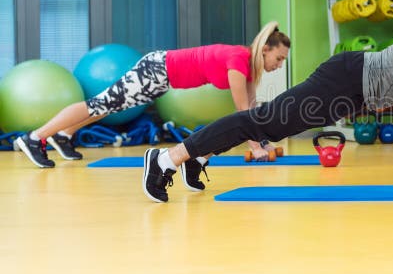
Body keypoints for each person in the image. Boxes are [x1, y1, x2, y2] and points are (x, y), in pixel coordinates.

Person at [141, 0, 393, 202]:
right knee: (262, 123)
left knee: (268, 128)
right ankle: (165, 160)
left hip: (356, 91)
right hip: (348, 80)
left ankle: (198, 157)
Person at [15, 22, 291, 179]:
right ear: (264, 50)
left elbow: (252, 111)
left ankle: (65, 135)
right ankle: (35, 137)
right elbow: (242, 111)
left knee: (111, 106)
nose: (279, 65)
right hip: (157, 70)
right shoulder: (238, 60)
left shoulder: (251, 70)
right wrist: (255, 147)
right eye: (278, 58)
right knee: (98, 104)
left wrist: (263, 143)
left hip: (163, 79)